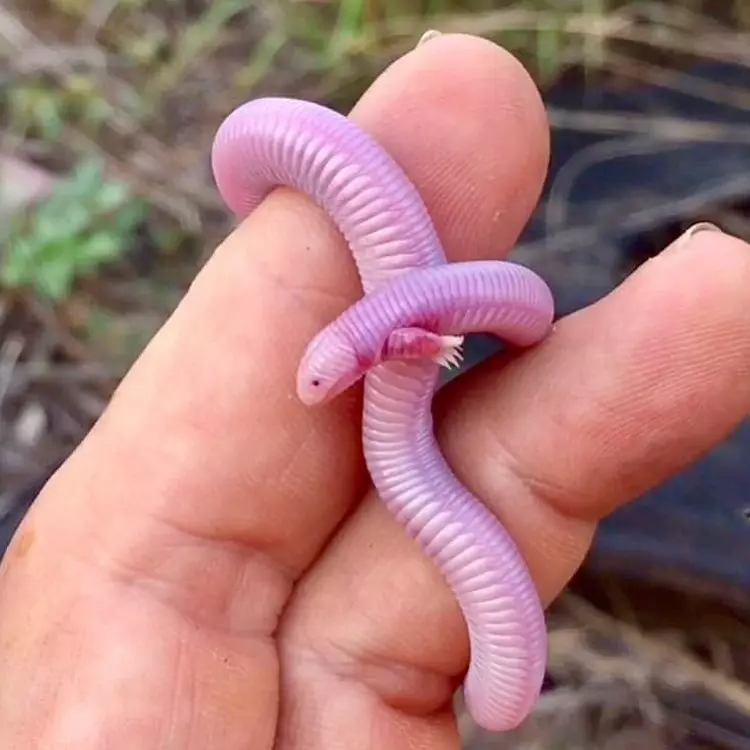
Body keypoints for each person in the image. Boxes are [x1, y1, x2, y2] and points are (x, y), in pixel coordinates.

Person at [1, 32, 749, 750]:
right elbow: (251, 149)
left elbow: (520, 309)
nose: (320, 387)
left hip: (427, 332)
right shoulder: (376, 353)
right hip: (398, 382)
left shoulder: (385, 336)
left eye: (330, 373)